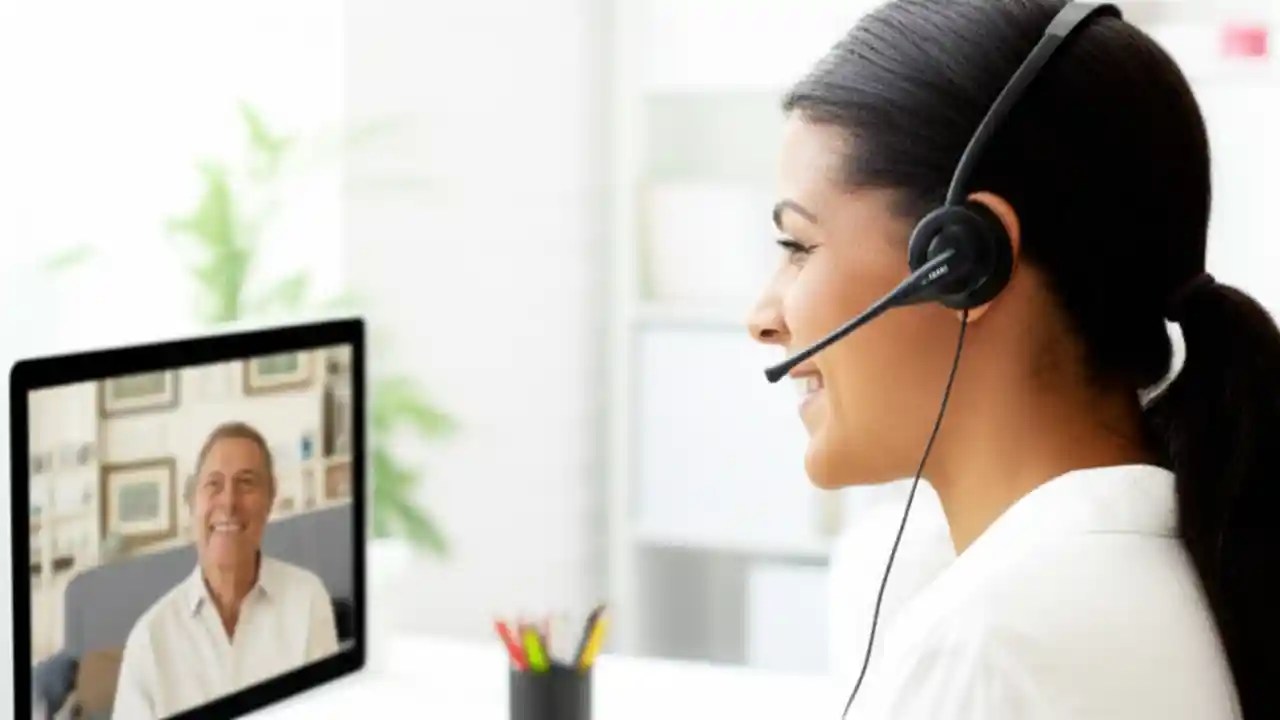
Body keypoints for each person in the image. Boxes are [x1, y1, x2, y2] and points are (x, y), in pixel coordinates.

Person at [747, 1, 1277, 717]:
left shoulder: (986, 650)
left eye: (800, 247)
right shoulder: (1201, 574)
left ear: (962, 261)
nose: (762, 319)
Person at [113, 421, 339, 719]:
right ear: (193, 503)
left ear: (270, 500)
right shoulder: (149, 639)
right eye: (214, 484)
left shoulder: (307, 599)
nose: (229, 502)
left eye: (246, 483)